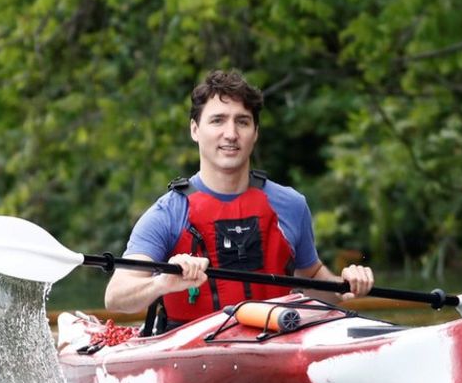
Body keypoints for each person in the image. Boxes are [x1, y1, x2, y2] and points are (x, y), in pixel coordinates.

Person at [104, 69, 374, 334]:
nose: (231, 134)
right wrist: (163, 283)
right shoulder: (167, 214)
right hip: (194, 360)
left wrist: (345, 285)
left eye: (242, 121)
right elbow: (116, 296)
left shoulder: (291, 205)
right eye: (218, 120)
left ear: (255, 132)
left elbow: (312, 280)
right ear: (195, 130)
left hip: (274, 344)